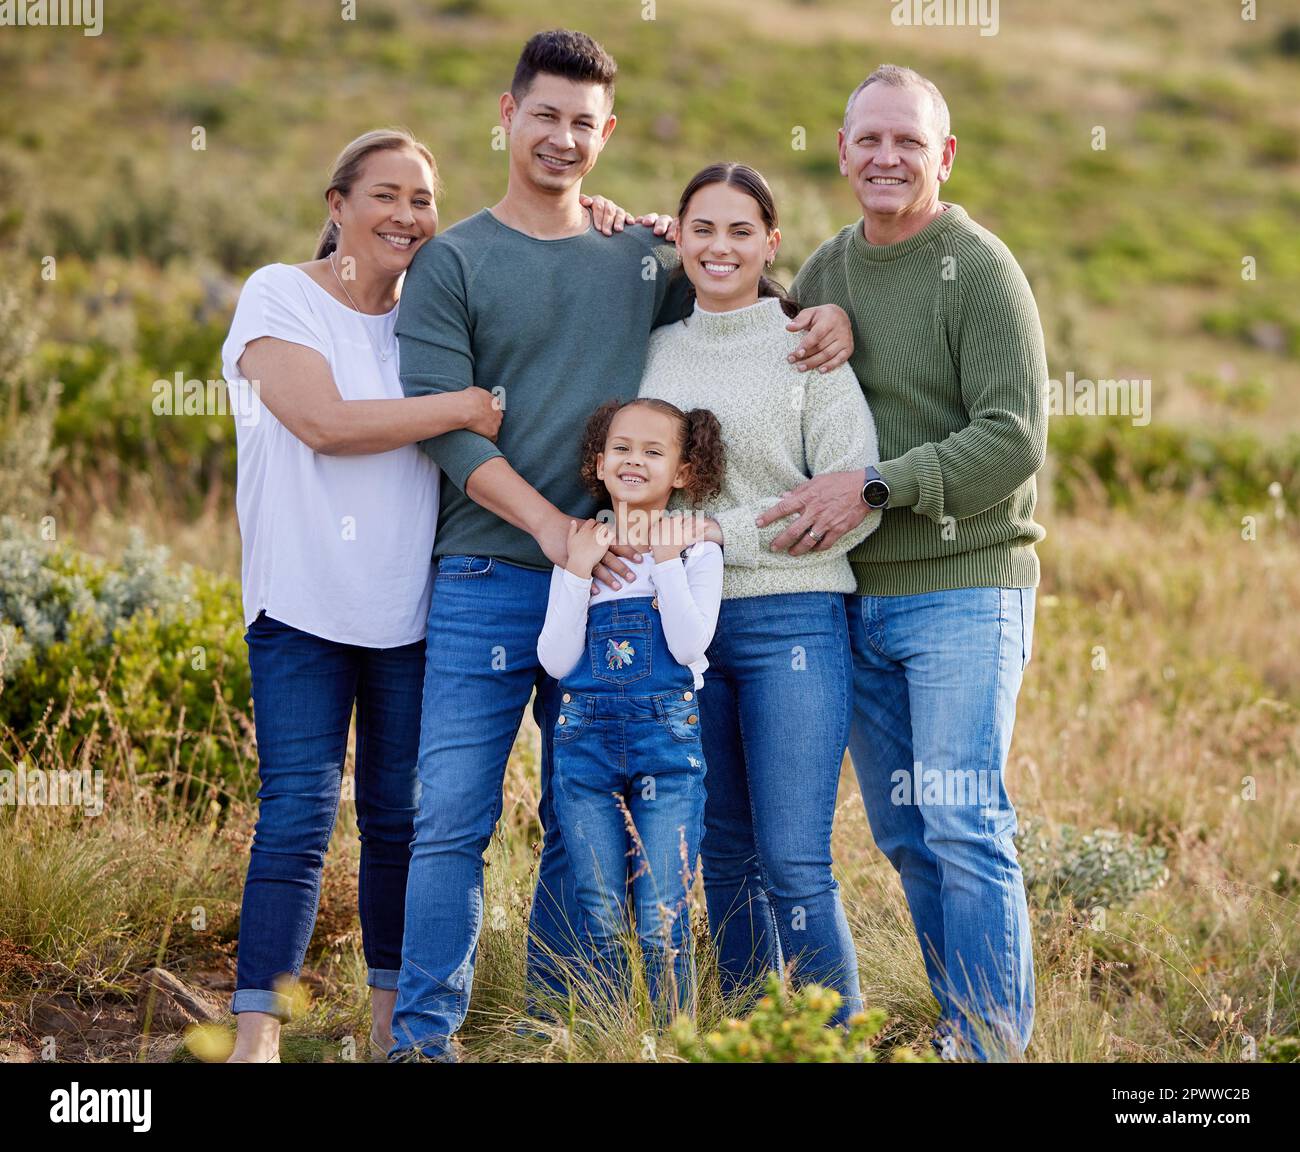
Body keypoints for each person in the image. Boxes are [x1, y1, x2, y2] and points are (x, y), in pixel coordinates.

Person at [389, 29, 853, 1061]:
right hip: (488, 570)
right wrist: (556, 529)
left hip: (622, 591)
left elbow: (731, 281)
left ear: (609, 134)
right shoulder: (453, 259)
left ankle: (566, 1030)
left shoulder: (639, 256)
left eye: (584, 123)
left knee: (585, 823)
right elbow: (445, 424)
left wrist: (827, 318)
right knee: (451, 821)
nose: (563, 138)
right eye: (545, 115)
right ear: (506, 115)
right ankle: (421, 1041)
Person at [759, 65, 1048, 1059]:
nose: (886, 157)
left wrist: (875, 486)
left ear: (944, 155)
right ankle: (962, 1027)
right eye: (868, 140)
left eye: (908, 142)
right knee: (908, 837)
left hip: (965, 588)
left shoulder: (978, 267)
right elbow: (760, 352)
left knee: (965, 824)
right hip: (856, 601)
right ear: (840, 151)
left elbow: (1012, 438)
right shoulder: (830, 266)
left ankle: (988, 1047)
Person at [219, 127, 501, 1063]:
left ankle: (389, 1037)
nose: (407, 215)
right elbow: (325, 424)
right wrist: (461, 407)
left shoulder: (434, 317)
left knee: (398, 822)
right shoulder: (280, 294)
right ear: (338, 204)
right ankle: (257, 1036)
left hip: (408, 615)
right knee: (298, 814)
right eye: (386, 195)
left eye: (422, 200)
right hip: (300, 605)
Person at [639, 162, 881, 1024]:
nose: (720, 247)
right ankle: (750, 1038)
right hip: (684, 625)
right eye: (702, 227)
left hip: (794, 619)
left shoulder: (808, 345)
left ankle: (834, 1040)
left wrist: (716, 533)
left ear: (772, 244)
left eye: (742, 231)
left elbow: (850, 503)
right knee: (724, 852)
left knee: (793, 860)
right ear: (677, 233)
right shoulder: (656, 351)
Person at [536, 397, 725, 1020]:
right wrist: (576, 571)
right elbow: (558, 661)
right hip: (583, 746)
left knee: (660, 915)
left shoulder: (696, 549)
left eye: (653, 451)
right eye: (621, 448)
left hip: (666, 744)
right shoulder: (585, 546)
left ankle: (674, 1040)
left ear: (685, 472)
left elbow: (690, 644)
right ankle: (613, 1038)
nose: (633, 460)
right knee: (599, 912)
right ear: (598, 462)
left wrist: (665, 562)